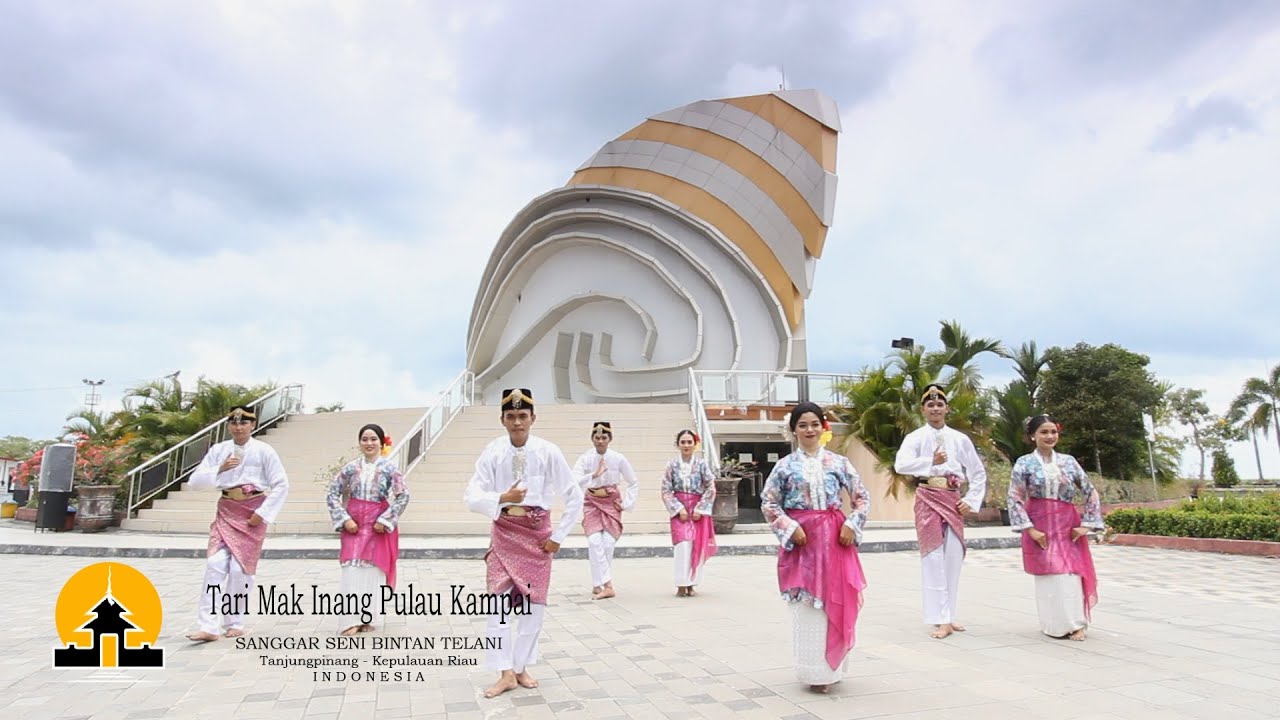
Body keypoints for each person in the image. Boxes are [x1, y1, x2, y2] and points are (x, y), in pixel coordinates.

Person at [463, 388, 584, 699]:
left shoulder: (548, 451)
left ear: (533, 418)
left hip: (537, 536)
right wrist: (503, 497)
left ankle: (520, 667)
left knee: (533, 608)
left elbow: (574, 496)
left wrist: (558, 537)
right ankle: (504, 672)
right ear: (502, 420)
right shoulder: (492, 451)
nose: (517, 422)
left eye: (522, 416)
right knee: (497, 607)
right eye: (511, 417)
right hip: (503, 532)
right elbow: (472, 496)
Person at [762, 402, 870, 693]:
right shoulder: (784, 467)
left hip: (835, 543)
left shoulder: (839, 463)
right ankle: (813, 671)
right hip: (802, 546)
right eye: (802, 425)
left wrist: (852, 524)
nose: (809, 430)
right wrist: (790, 527)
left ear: (824, 427)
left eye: (814, 424)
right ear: (793, 429)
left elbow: (861, 497)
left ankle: (833, 669)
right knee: (807, 606)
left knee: (836, 600)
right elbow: (769, 503)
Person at [185, 406, 289, 642]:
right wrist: (220, 469)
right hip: (227, 511)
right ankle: (208, 626)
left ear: (252, 425)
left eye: (244, 423)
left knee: (239, 569)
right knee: (214, 564)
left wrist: (262, 514)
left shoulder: (264, 451)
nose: (239, 427)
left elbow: (281, 484)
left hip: (252, 513)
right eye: (234, 423)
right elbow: (195, 482)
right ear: (228, 425)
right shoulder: (219, 450)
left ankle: (235, 621)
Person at [893, 384, 988, 639]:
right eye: (930, 405)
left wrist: (972, 499)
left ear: (947, 408)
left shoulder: (959, 438)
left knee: (953, 556)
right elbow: (900, 464)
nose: (935, 409)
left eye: (939, 404)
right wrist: (929, 463)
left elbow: (977, 471)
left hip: (953, 498)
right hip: (928, 498)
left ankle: (949, 614)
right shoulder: (915, 438)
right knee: (933, 557)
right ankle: (940, 618)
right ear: (923, 409)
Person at [1009, 414, 1102, 640]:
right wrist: (1030, 529)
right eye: (1044, 432)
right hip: (1039, 522)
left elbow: (1090, 491)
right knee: (1048, 574)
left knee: (1069, 573)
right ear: (1032, 436)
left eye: (1053, 432)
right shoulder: (1024, 463)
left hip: (1066, 524)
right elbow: (1014, 497)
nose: (1050, 436)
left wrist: (1087, 525)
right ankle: (1054, 625)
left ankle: (1077, 624)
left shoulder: (1069, 461)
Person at [325, 423, 410, 636]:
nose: (369, 443)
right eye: (365, 439)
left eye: (373, 439)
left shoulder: (390, 468)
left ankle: (367, 618)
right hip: (354, 524)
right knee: (351, 569)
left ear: (382, 443)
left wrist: (386, 520)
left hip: (376, 525)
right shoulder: (350, 468)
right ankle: (350, 621)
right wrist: (344, 519)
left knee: (373, 570)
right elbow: (332, 493)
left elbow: (403, 495)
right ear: (359, 442)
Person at [571, 421, 639, 600]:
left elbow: (633, 481)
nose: (600, 441)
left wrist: (625, 504)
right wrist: (593, 475)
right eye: (597, 437)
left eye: (604, 437)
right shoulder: (585, 458)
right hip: (592, 502)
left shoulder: (618, 458)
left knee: (607, 543)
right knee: (594, 541)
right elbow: (574, 480)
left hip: (611, 501)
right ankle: (605, 584)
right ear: (592, 439)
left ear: (610, 439)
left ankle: (599, 584)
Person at [660, 429, 717, 597]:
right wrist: (678, 508)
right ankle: (681, 584)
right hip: (680, 510)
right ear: (677, 444)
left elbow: (711, 487)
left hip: (698, 509)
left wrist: (700, 508)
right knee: (682, 545)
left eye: (689, 442)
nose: (686, 445)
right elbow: (665, 489)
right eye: (683, 442)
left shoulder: (701, 464)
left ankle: (692, 582)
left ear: (694, 444)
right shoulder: (671, 465)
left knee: (696, 546)